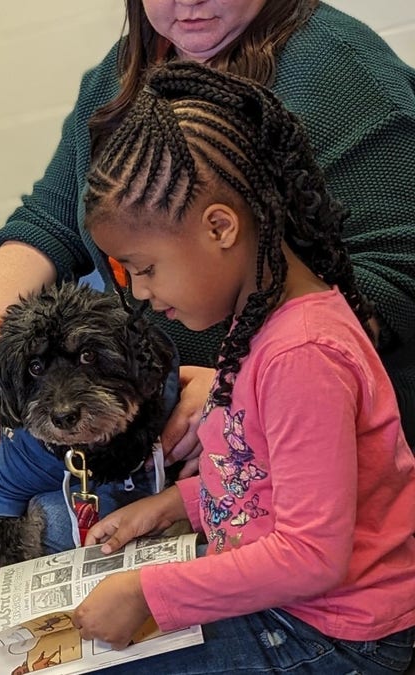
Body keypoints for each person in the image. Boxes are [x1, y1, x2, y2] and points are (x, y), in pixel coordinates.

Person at [0, 0, 415, 562]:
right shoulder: (120, 76)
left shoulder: (340, 66)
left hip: (306, 419)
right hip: (165, 406)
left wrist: (236, 388)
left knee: (47, 526)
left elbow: (397, 275)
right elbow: (49, 216)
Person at [69, 59, 415, 673]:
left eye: (145, 268)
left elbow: (312, 554)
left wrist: (147, 593)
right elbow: (264, 482)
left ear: (220, 227)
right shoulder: (258, 320)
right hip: (302, 606)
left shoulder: (301, 355)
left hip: (338, 637)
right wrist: (177, 503)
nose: (142, 292)